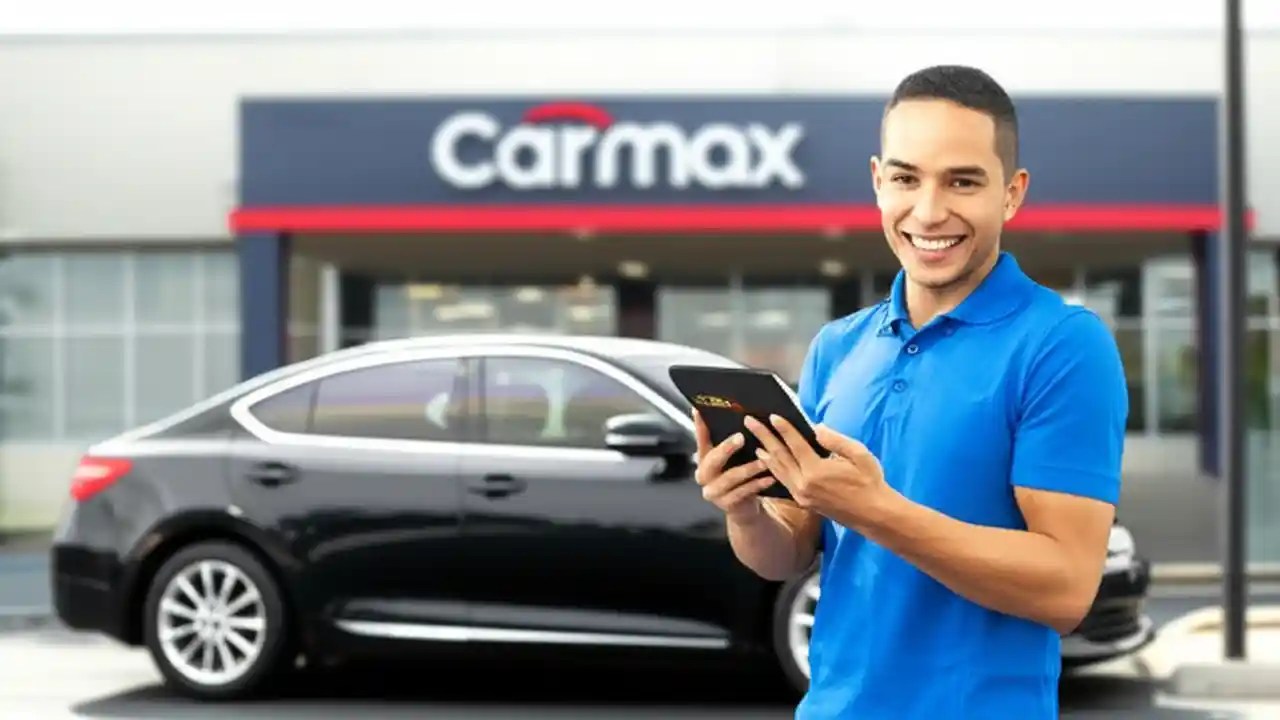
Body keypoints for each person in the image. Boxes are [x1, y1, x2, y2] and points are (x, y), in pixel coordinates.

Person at [692, 64, 1128, 719]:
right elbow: (790, 553)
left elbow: (1066, 590)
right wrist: (746, 511)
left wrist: (875, 509)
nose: (928, 212)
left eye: (962, 181)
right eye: (905, 178)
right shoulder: (838, 347)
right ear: (877, 183)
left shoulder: (1063, 344)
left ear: (1011, 194)